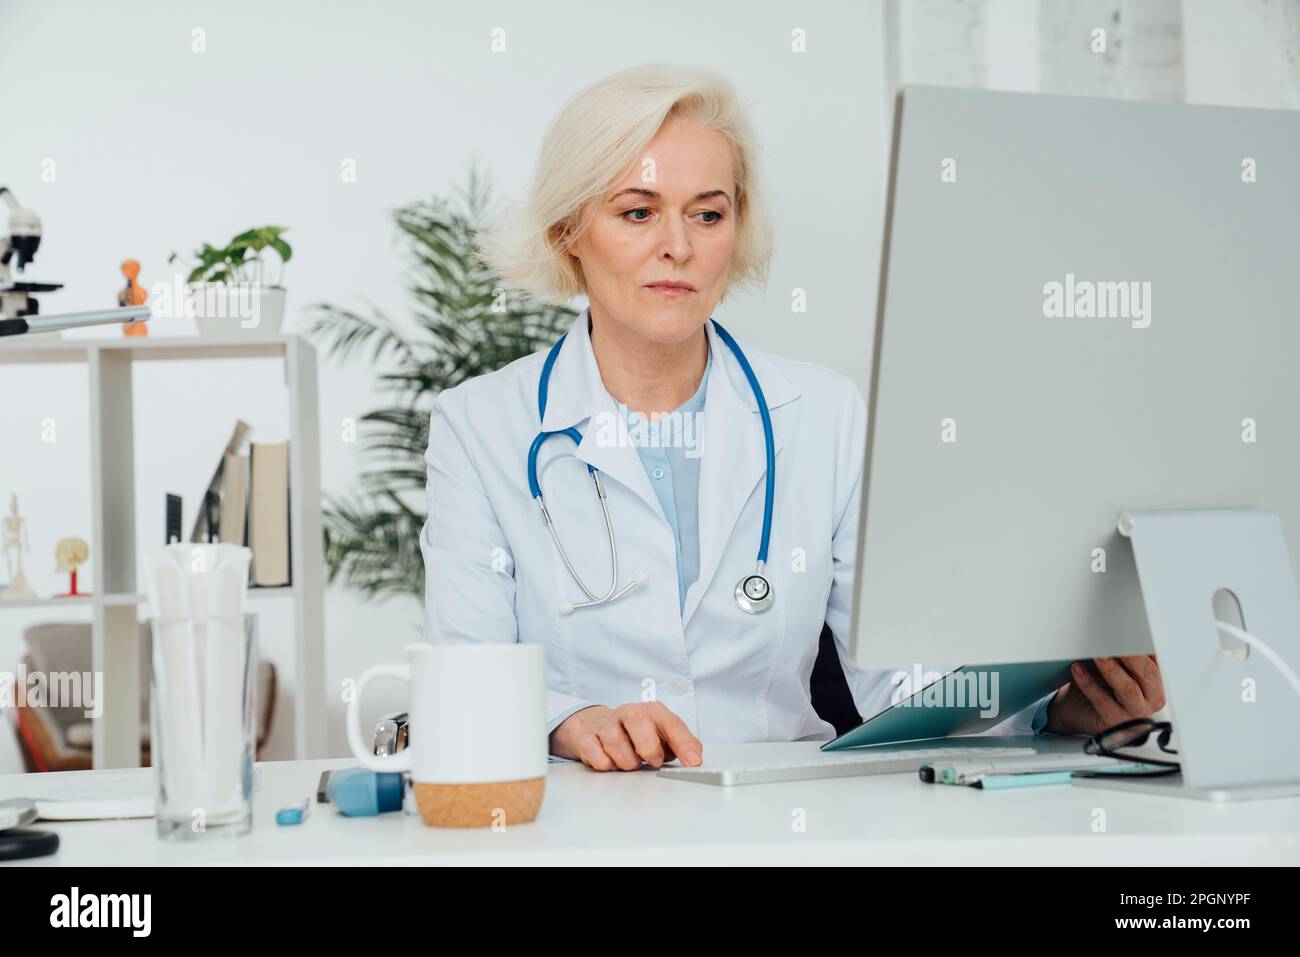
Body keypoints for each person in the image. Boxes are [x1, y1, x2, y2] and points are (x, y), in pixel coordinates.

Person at [421, 64, 1165, 772]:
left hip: (779, 813)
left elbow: (904, 686)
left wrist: (1056, 714)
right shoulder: (479, 426)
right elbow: (465, 677)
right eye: (637, 211)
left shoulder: (822, 413)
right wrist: (567, 719)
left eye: (708, 214)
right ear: (567, 231)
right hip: (583, 823)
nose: (677, 246)